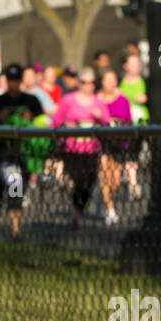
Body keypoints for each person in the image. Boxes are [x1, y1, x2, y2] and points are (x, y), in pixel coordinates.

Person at [0, 64, 44, 241]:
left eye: (16, 81)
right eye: (10, 81)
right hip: (1, 153)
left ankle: (15, 231)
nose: (13, 84)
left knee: (16, 194)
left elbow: (43, 124)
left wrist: (30, 119)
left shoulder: (31, 101)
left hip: (23, 154)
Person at [53, 68, 112, 229]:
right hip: (71, 148)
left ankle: (78, 208)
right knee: (79, 178)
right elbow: (57, 119)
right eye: (84, 82)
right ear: (79, 83)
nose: (88, 86)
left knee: (89, 181)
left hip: (91, 148)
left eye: (92, 82)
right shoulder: (68, 100)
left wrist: (99, 116)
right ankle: (76, 214)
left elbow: (107, 121)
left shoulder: (98, 101)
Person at [95, 69, 133, 225]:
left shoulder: (123, 100)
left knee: (115, 182)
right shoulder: (96, 99)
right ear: (102, 82)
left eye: (113, 80)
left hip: (118, 143)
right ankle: (110, 210)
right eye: (107, 80)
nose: (111, 84)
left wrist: (119, 123)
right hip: (100, 143)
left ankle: (100, 196)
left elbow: (129, 121)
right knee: (104, 176)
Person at [117, 51, 148, 196]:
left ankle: (131, 179)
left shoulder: (145, 81)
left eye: (138, 63)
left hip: (144, 123)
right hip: (126, 124)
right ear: (125, 66)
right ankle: (133, 184)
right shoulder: (119, 83)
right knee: (130, 155)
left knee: (139, 155)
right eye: (133, 63)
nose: (137, 66)